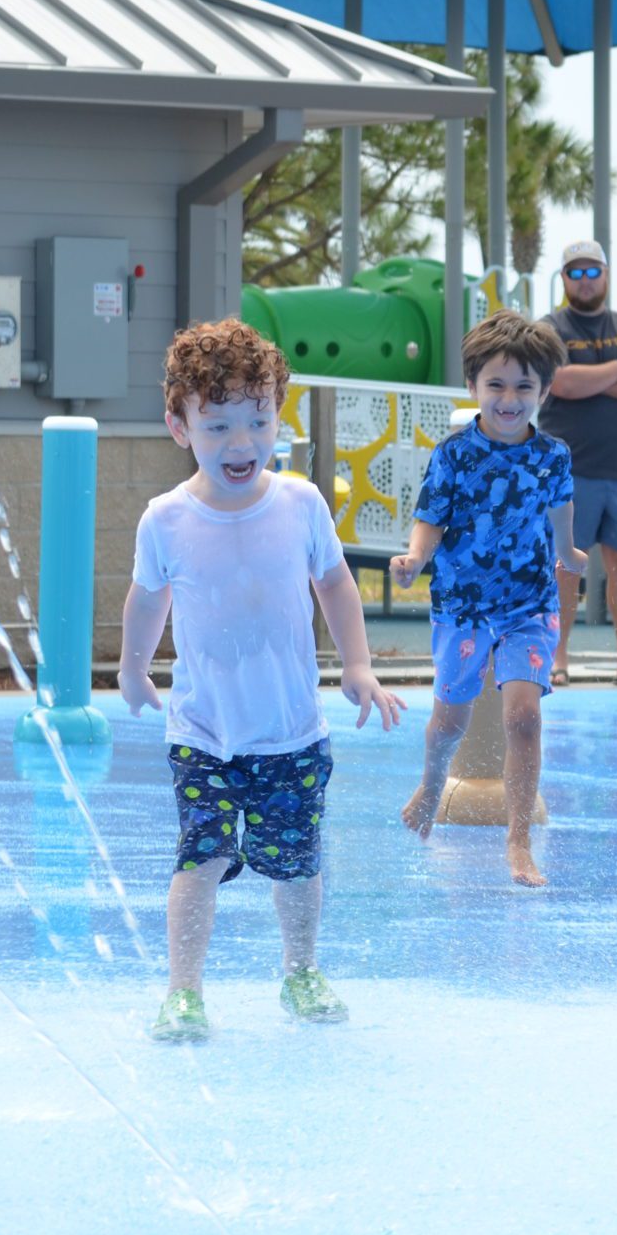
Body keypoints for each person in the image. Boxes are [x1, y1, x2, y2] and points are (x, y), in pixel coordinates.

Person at [119, 319, 404, 1041]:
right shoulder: (167, 520)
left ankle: (300, 969)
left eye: (258, 420)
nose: (241, 443)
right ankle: (183, 990)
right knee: (202, 855)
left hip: (290, 731)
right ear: (179, 426)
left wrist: (359, 664)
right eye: (217, 426)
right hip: (205, 732)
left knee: (297, 864)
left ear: (280, 413)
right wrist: (131, 667)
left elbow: (335, 584)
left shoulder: (301, 503)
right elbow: (147, 598)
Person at [393, 312, 584, 887]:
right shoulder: (454, 455)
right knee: (450, 720)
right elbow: (431, 517)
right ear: (473, 387)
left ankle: (518, 841)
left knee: (523, 718)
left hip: (528, 603)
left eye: (524, 387)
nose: (509, 398)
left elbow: (560, 511)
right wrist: (415, 558)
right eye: (496, 385)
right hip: (462, 605)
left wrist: (569, 553)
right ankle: (431, 783)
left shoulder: (552, 455)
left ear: (544, 392)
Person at [539, 238, 617, 686]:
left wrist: (593, 379)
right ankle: (558, 661)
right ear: (563, 280)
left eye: (593, 271)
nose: (585, 280)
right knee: (565, 565)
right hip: (568, 471)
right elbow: (560, 383)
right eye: (575, 273)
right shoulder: (550, 328)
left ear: (607, 274)